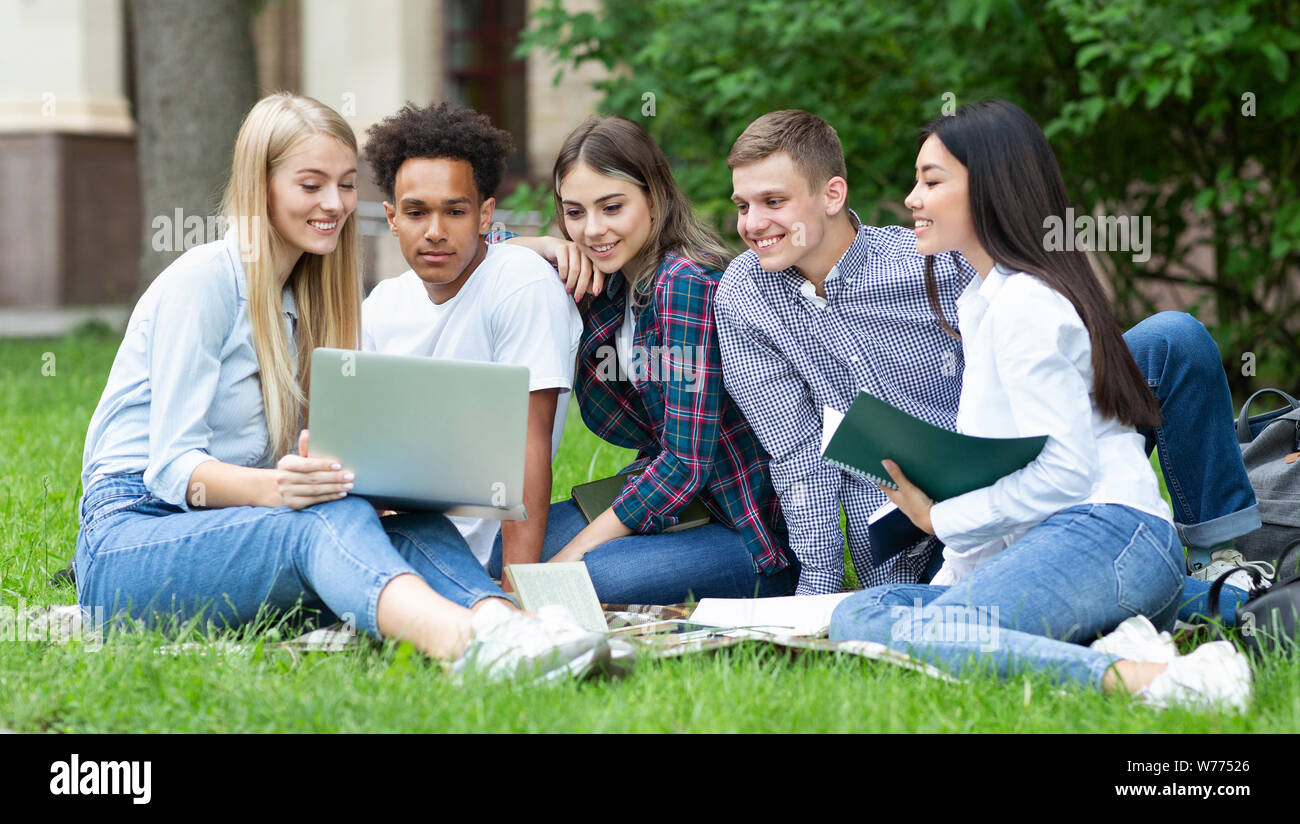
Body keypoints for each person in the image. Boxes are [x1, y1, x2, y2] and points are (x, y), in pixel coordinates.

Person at [73, 93, 606, 680]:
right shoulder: (205, 281)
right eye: (311, 185)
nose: (333, 204)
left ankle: (510, 628)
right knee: (320, 519)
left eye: (345, 185)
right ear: (263, 186)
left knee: (408, 519)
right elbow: (173, 471)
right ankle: (469, 646)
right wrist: (285, 489)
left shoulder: (315, 302)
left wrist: (523, 248)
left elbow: (463, 257)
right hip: (132, 537)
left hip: (233, 530)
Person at [714, 109, 1260, 622]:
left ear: (832, 194)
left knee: (1172, 339)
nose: (753, 223)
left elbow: (1043, 328)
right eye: (742, 206)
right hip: (917, 529)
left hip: (1029, 462)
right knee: (971, 604)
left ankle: (1221, 556)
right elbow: (797, 452)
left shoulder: (936, 256)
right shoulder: (745, 294)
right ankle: (1233, 602)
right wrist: (819, 591)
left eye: (773, 202)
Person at [826, 99, 1250, 709]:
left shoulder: (1026, 304)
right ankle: (1168, 624)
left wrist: (936, 520)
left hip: (1108, 533)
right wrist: (954, 571)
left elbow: (1066, 473)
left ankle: (1155, 681)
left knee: (931, 632)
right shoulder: (984, 301)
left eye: (931, 181)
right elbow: (1008, 507)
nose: (912, 198)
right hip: (1067, 548)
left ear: (991, 188)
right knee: (864, 614)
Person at [486, 116, 799, 604]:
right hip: (681, 506)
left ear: (654, 198)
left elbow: (684, 462)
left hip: (745, 528)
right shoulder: (611, 282)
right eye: (574, 212)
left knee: (580, 578)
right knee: (501, 554)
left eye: (612, 207)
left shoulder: (685, 283)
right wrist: (546, 246)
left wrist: (572, 555)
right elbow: (477, 254)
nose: (592, 230)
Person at [359, 102, 583, 585]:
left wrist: (516, 583)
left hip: (498, 535)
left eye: (454, 211)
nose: (435, 232)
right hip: (407, 530)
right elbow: (370, 455)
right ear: (392, 218)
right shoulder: (381, 305)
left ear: (484, 215)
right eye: (416, 212)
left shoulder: (520, 282)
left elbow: (530, 439)